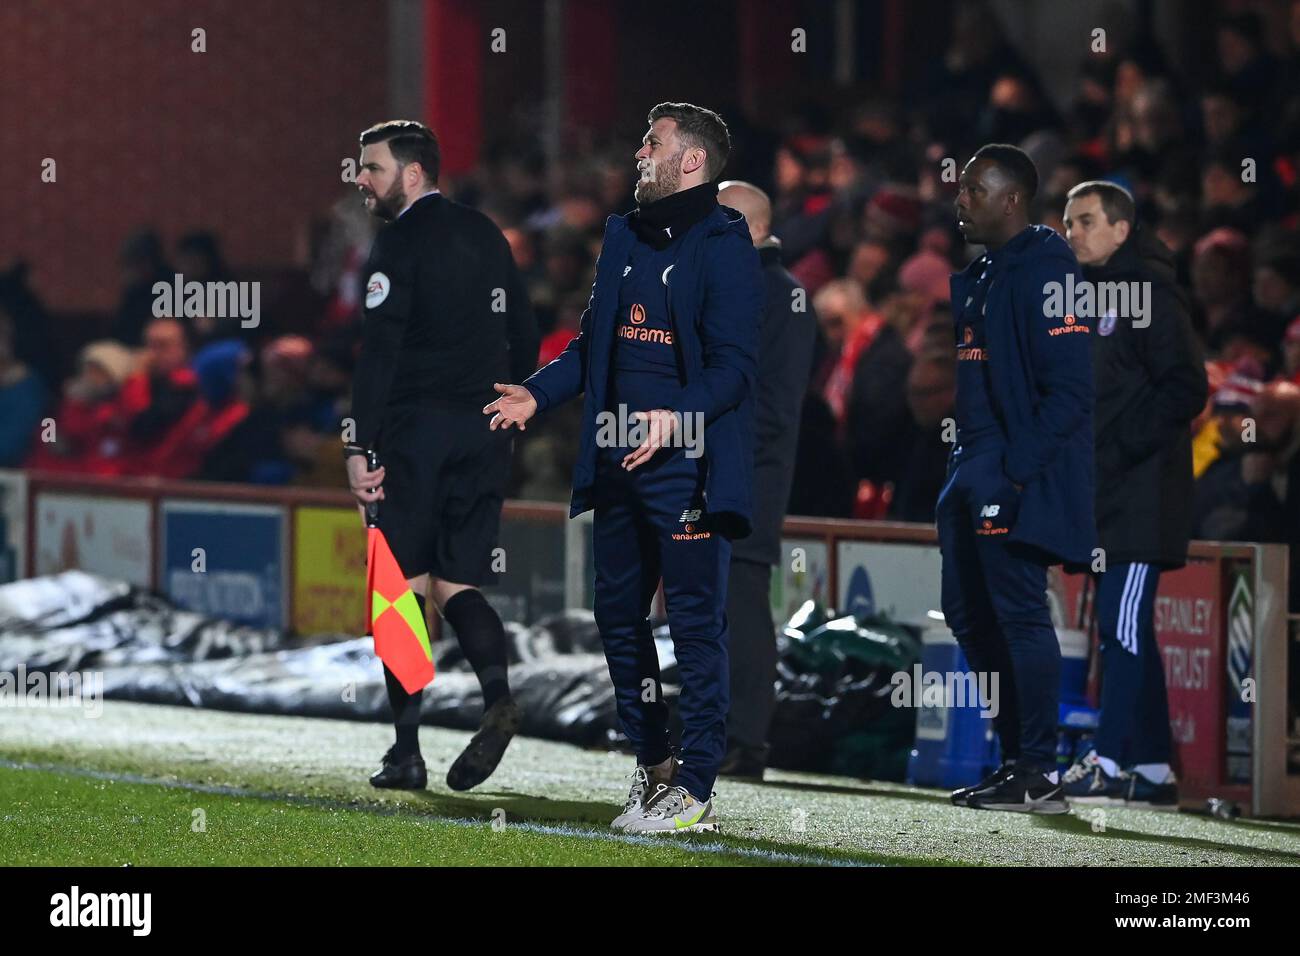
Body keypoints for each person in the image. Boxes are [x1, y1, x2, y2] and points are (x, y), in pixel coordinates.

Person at [485, 102, 762, 833]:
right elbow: (590, 349)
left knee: (698, 625)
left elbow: (736, 369)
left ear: (692, 160)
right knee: (617, 619)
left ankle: (697, 785)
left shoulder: (726, 243)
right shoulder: (622, 238)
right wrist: (536, 395)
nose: (640, 152)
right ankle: (655, 765)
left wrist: (678, 416)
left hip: (687, 468)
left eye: (654, 142)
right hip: (615, 462)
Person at [344, 120, 539, 792]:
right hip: (486, 430)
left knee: (400, 590)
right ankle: (497, 699)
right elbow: (525, 328)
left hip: (415, 433)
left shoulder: (398, 244)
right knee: (458, 584)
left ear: (414, 172)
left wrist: (359, 445)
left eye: (372, 168)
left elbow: (380, 355)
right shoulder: (486, 232)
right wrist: (514, 403)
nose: (361, 180)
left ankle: (406, 753)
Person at [940, 144, 1095, 814]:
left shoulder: (1045, 268)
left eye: (974, 188)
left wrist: (1013, 470)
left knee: (1020, 616)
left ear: (1011, 199)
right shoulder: (986, 273)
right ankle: (1014, 763)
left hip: (1007, 468)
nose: (959, 198)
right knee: (969, 616)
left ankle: (1038, 769)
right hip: (971, 465)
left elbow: (1071, 389)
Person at [1060, 180, 1207, 805]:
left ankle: (1110, 759)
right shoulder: (1090, 295)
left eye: (1087, 221)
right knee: (1130, 631)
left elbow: (1186, 385)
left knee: (1119, 630)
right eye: (1068, 222)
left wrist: (1120, 452)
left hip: (1140, 497)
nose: (1073, 233)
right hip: (1109, 494)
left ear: (1122, 229)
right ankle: (1152, 767)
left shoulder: (1148, 292)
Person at [714, 180, 816, 780]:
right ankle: (718, 730)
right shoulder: (743, 287)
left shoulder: (781, 296)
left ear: (751, 228)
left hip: (747, 475)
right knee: (713, 606)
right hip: (717, 469)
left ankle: (747, 741)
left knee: (741, 602)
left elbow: (774, 407)